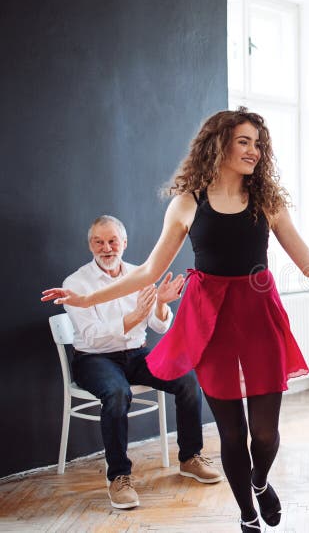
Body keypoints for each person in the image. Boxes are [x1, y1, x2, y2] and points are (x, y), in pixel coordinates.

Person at [43, 108, 309, 532]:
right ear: (221, 144)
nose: (254, 150)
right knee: (231, 435)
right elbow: (146, 272)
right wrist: (87, 298)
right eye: (244, 141)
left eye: (258, 143)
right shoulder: (187, 203)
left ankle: (261, 481)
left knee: (264, 435)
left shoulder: (267, 200)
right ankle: (247, 514)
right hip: (208, 320)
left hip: (258, 314)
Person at [62, 215, 221, 510]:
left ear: (124, 243)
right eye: (99, 242)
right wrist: (134, 317)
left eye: (112, 241)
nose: (106, 248)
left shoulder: (140, 274)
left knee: (187, 378)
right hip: (94, 360)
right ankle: (119, 477)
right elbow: (93, 337)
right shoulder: (75, 283)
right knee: (118, 392)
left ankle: (190, 457)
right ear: (90, 245)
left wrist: (160, 303)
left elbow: (159, 327)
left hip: (136, 354)